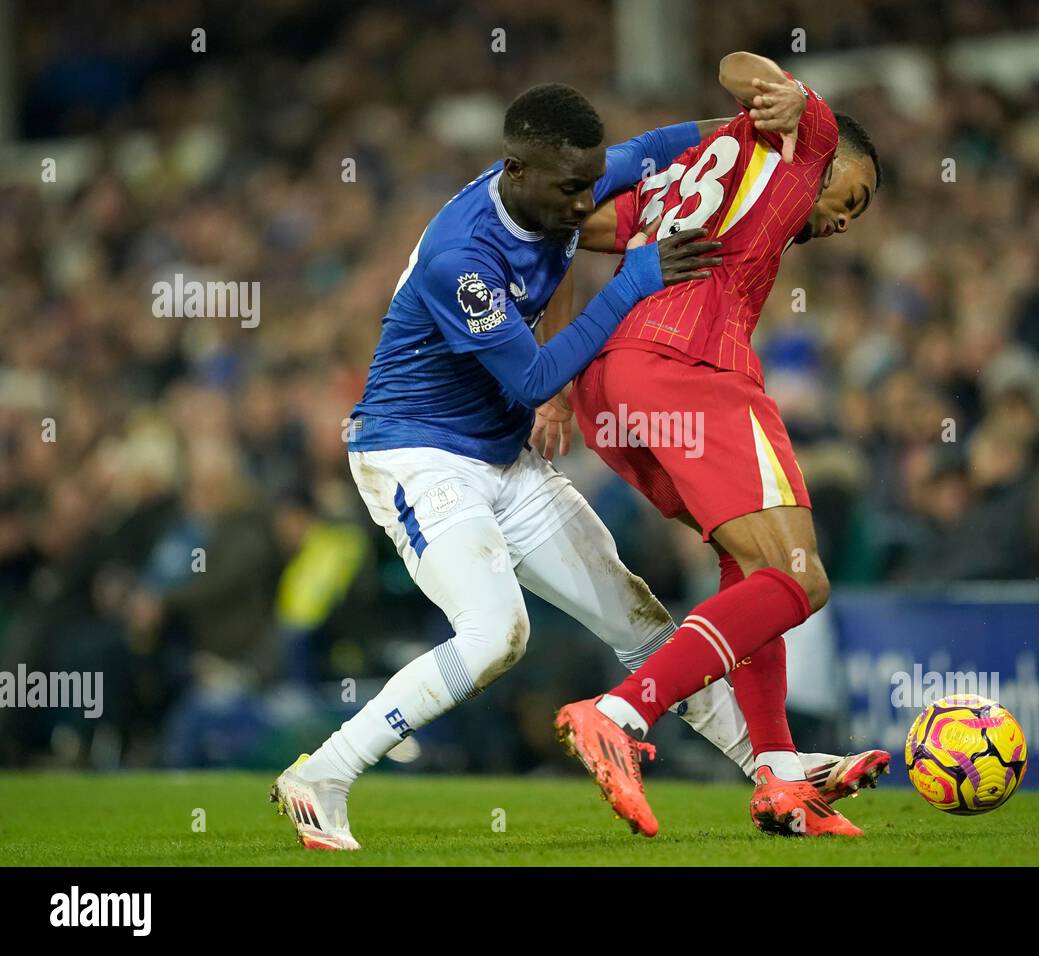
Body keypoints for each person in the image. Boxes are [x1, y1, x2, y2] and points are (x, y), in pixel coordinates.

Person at [272, 81, 881, 851]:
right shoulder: (462, 259)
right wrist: (634, 279)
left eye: (595, 180)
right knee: (497, 634)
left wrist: (753, 119)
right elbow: (528, 380)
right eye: (571, 188)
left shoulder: (564, 186)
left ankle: (776, 769)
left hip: (503, 454)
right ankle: (324, 773)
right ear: (515, 172)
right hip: (418, 453)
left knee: (641, 620)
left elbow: (669, 145)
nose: (586, 200)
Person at [550, 52, 883, 837]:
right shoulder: (811, 142)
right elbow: (743, 65)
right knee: (802, 578)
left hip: (612, 387)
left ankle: (776, 775)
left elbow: (569, 224)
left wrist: (555, 364)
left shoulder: (692, 176)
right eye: (853, 197)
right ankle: (620, 714)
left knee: (751, 572)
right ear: (833, 158)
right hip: (693, 367)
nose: (841, 220)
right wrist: (786, 95)